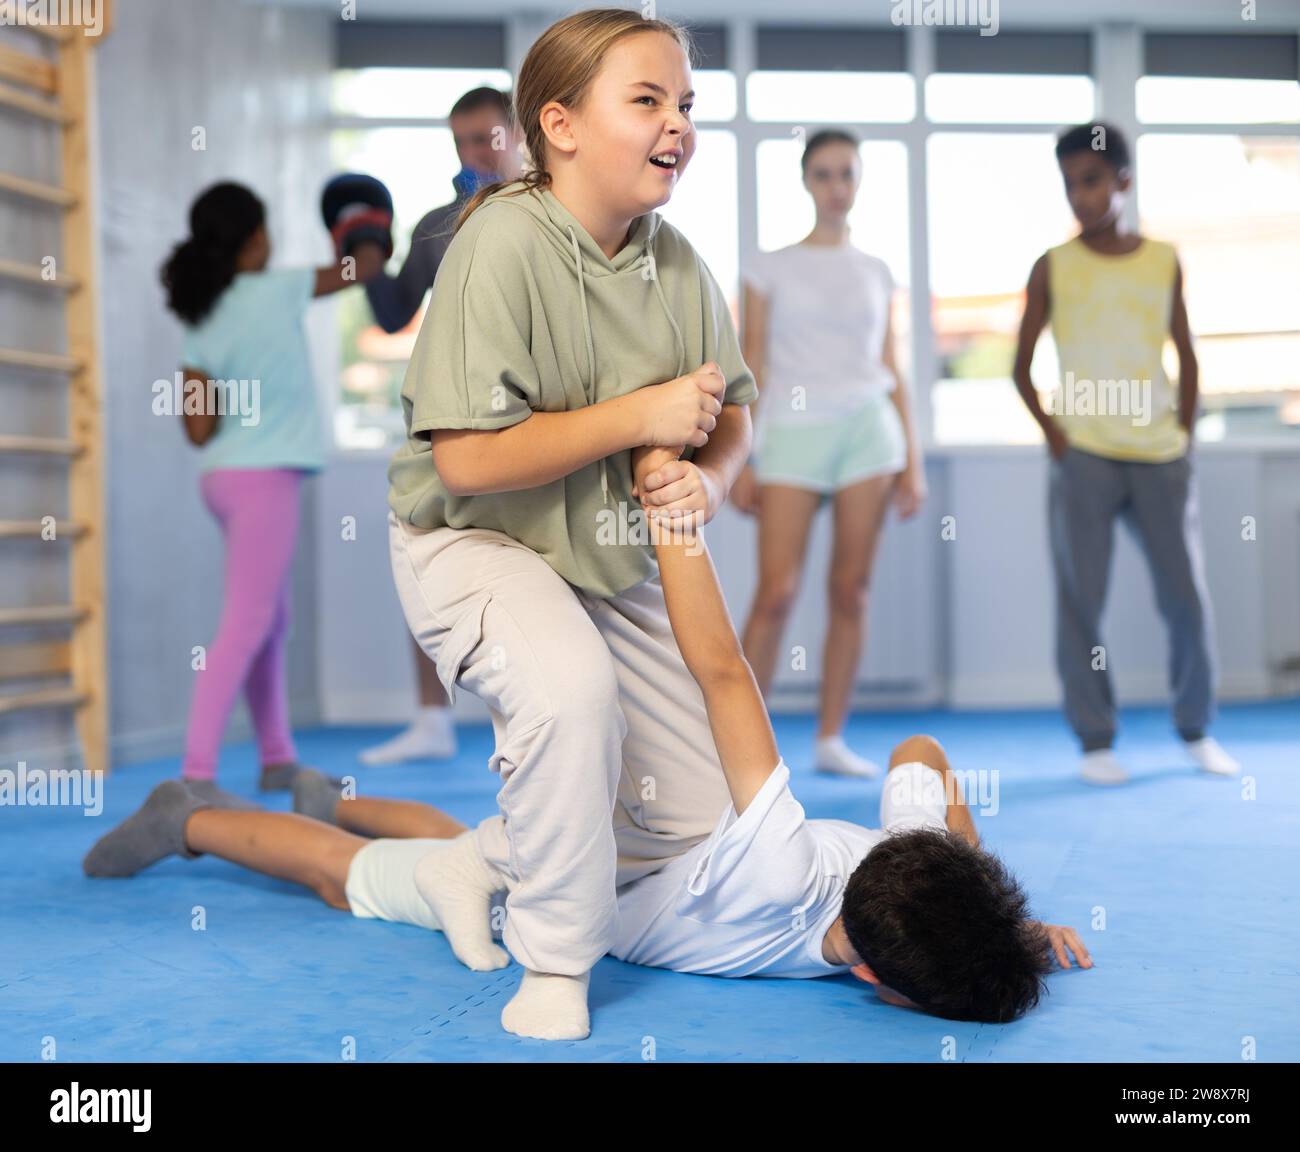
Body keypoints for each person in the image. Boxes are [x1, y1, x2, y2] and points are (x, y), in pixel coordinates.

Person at [81, 439, 1091, 1024]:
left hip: (604, 846)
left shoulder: (901, 857)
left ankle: (316, 796)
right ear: (877, 983)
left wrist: (1003, 921)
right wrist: (673, 526)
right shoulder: (795, 891)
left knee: (461, 843)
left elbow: (880, 745)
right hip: (590, 869)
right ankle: (193, 817)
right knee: (347, 880)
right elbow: (730, 682)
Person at [383, 7, 757, 1040]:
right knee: (570, 696)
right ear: (560, 125)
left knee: (699, 821)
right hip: (475, 539)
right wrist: (639, 416)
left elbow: (736, 413)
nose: (676, 123)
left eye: (685, 104)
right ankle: (554, 960)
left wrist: (713, 481)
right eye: (647, 100)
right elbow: (466, 457)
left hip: (600, 558)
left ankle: (482, 860)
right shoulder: (497, 240)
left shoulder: (674, 260)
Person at [1011, 121, 1240, 785]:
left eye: (1092, 181)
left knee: (1187, 598)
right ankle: (1095, 741)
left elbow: (1186, 354)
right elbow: (1021, 366)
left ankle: (1196, 729)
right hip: (1083, 456)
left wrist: (1185, 435)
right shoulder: (1051, 266)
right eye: (1070, 184)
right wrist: (1057, 436)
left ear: (1123, 182)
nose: (1080, 196)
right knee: (1081, 600)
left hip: (1160, 456)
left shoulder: (1163, 259)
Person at [160, 181, 383, 806]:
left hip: (224, 478)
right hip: (266, 478)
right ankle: (196, 773)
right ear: (256, 238)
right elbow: (363, 268)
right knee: (249, 619)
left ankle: (277, 758)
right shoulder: (279, 287)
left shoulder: (202, 312)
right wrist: (361, 220)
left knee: (269, 618)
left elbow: (198, 430)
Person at [733, 128, 926, 779]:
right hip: (789, 430)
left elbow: (890, 364)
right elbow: (750, 360)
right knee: (777, 591)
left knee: (852, 591)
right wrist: (742, 456)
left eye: (846, 173)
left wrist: (914, 462)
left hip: (868, 435)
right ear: (806, 180)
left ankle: (829, 738)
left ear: (859, 180)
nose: (836, 186)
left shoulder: (877, 271)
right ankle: (736, 746)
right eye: (823, 173)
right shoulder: (768, 265)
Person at [357, 88, 524, 767]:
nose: (475, 153)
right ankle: (430, 719)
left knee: (526, 572)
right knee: (425, 553)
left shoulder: (549, 216)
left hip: (525, 423)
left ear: (520, 134)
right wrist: (366, 256)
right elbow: (395, 313)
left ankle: (527, 720)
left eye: (488, 137)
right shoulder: (437, 223)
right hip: (444, 418)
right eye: (462, 142)